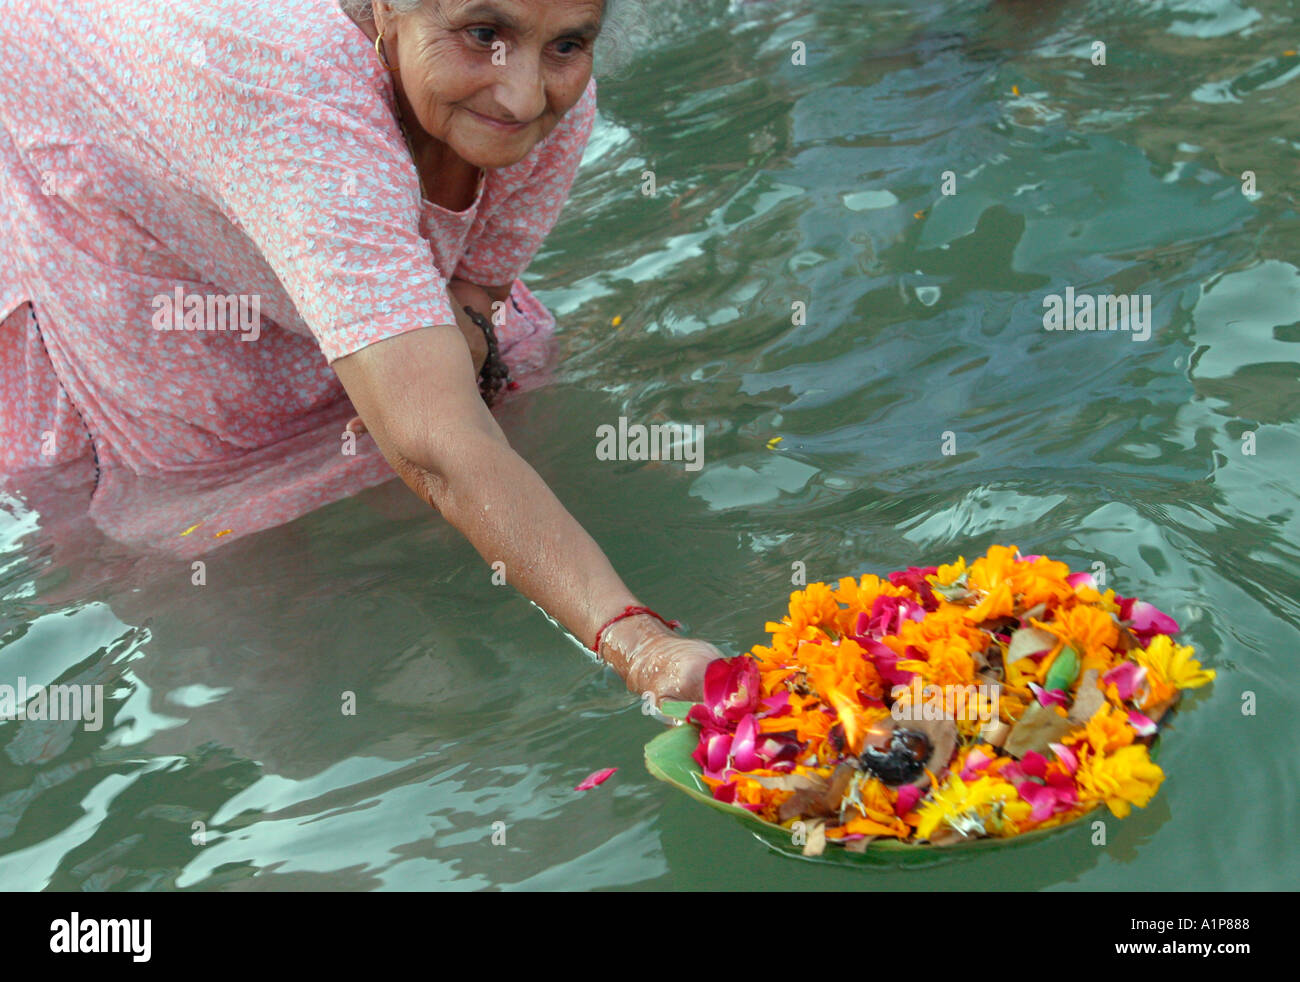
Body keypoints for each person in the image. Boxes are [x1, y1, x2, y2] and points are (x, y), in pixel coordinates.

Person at [0, 0, 719, 703]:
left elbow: (471, 290)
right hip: (118, 154)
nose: (523, 92)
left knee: (460, 411)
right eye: (481, 33)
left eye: (568, 43)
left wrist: (432, 392)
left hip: (275, 138)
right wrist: (641, 646)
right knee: (237, 570)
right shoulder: (296, 98)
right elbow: (438, 450)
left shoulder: (550, 102)